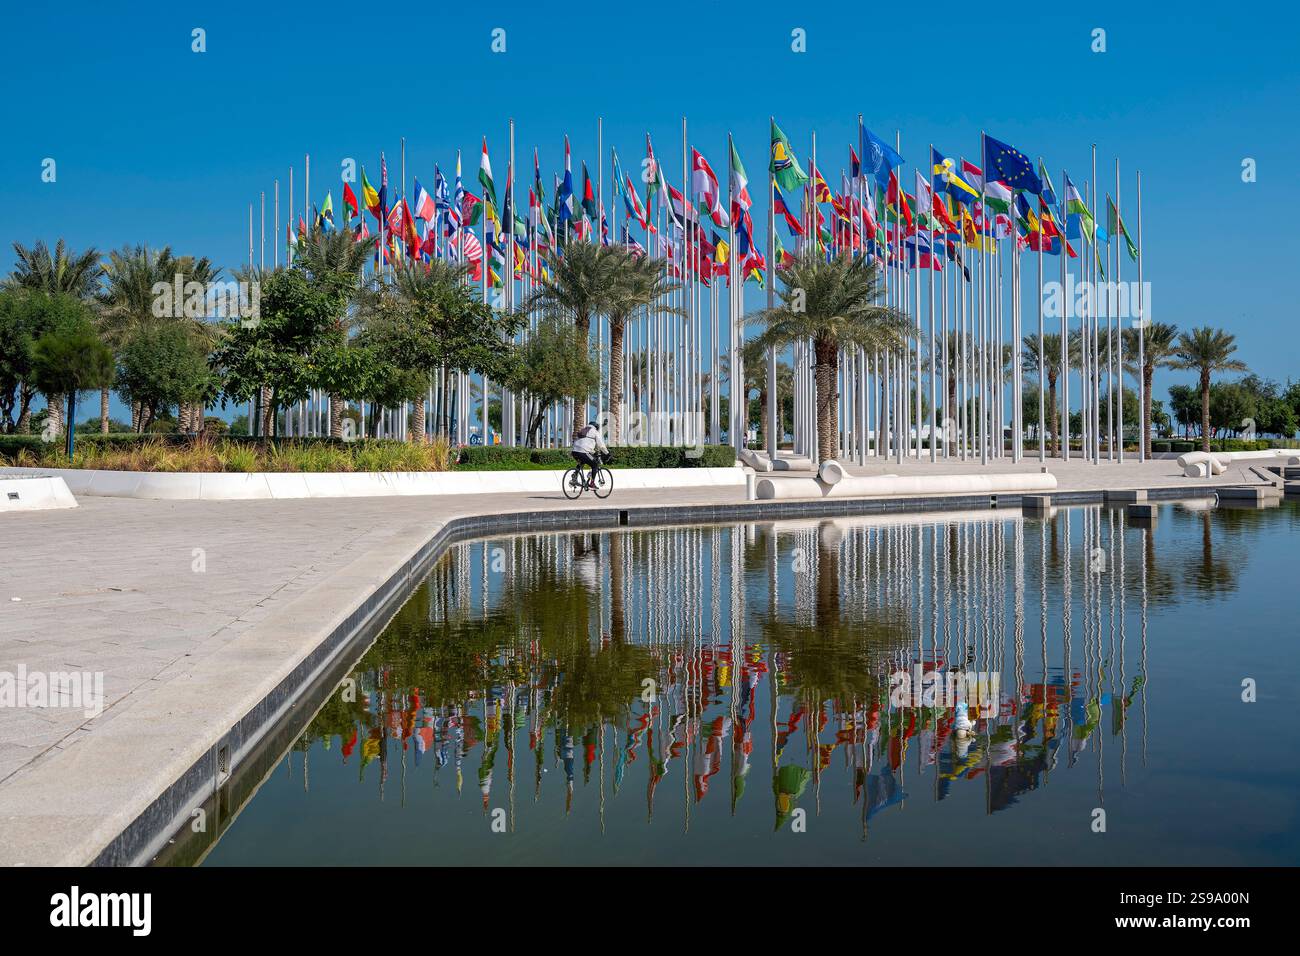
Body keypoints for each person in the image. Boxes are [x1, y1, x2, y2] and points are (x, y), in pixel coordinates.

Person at [571, 421, 609, 488]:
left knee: (582, 461)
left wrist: (594, 452)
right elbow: (601, 445)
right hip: (583, 452)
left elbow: (585, 443)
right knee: (595, 464)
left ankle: (575, 476)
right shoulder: (595, 432)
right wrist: (607, 453)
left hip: (574, 451)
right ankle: (592, 483)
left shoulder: (583, 430)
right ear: (596, 427)